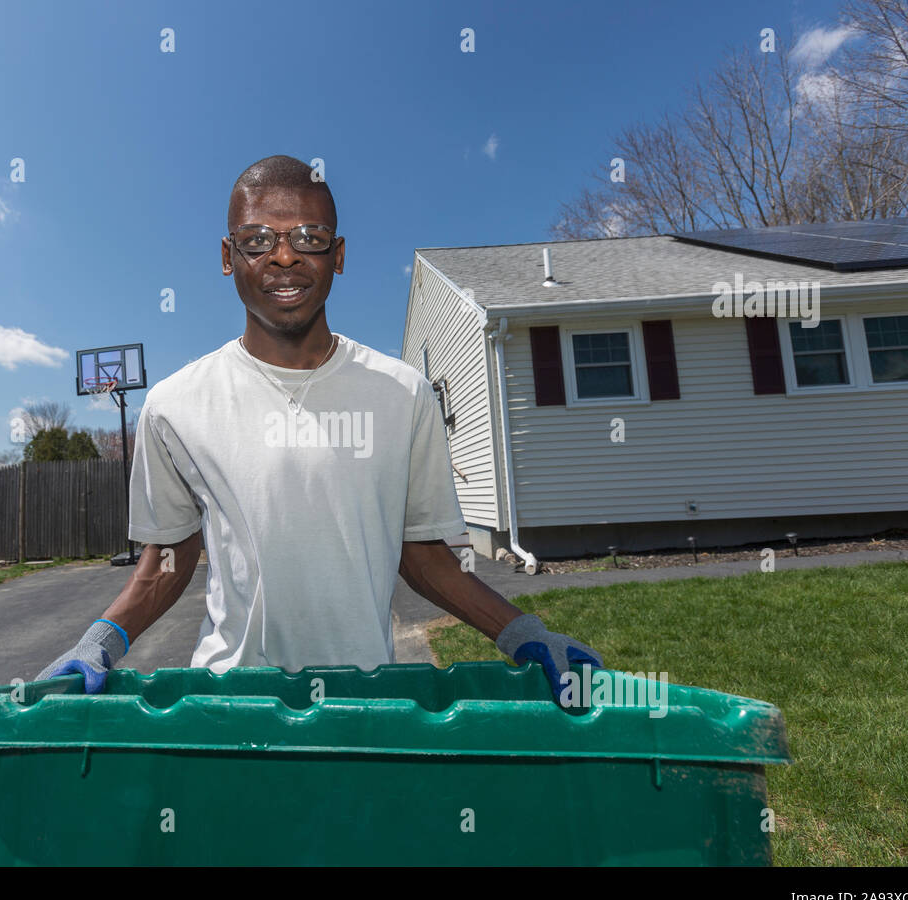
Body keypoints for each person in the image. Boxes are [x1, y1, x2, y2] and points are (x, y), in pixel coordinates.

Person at [37, 155, 602, 693]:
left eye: (309, 237)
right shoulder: (173, 405)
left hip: (361, 707)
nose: (284, 257)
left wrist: (527, 634)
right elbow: (167, 560)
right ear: (229, 255)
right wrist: (99, 643)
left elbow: (425, 557)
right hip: (232, 708)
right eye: (258, 240)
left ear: (339, 254)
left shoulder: (403, 394)